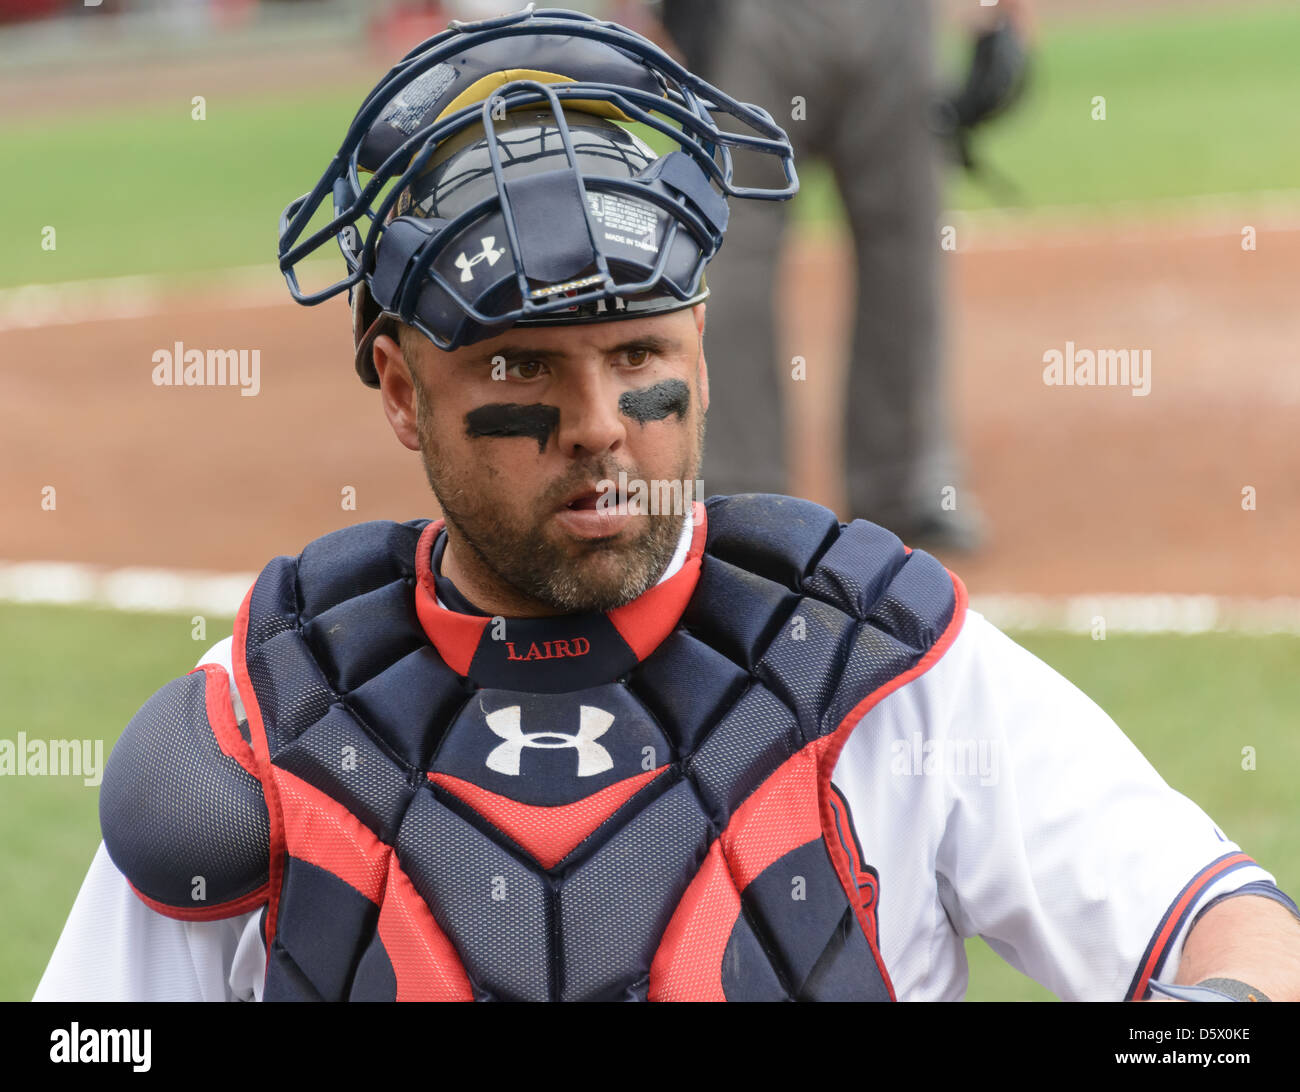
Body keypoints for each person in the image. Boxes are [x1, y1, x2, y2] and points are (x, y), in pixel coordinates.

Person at [35, 5, 1300, 1003]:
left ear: (699, 339)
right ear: (397, 387)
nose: (596, 425)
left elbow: (1225, 925)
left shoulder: (878, 664)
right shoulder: (269, 716)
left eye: (637, 357)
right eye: (522, 367)